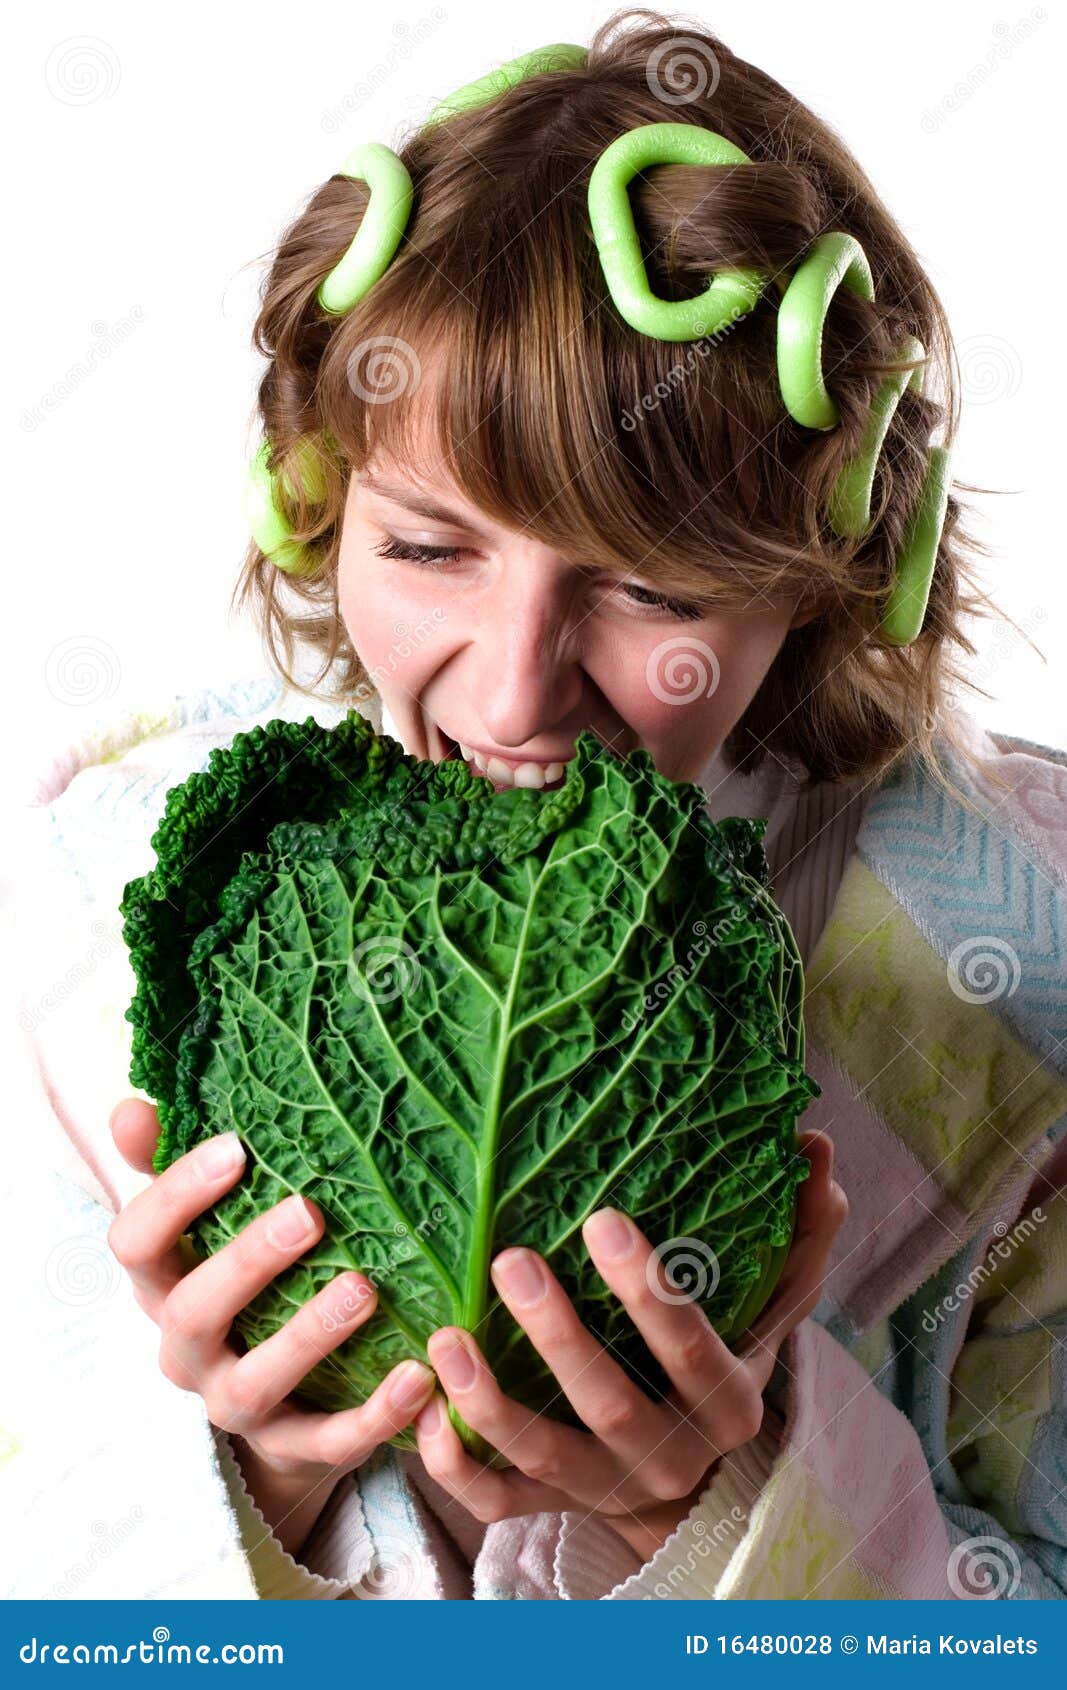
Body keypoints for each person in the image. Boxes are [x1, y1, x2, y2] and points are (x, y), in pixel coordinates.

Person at [19, 9, 1067, 1600]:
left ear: (834, 583)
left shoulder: (1021, 980)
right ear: (315, 501)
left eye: (652, 590)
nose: (513, 696)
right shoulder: (104, 922)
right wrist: (268, 1472)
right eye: (430, 548)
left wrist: (725, 1518)